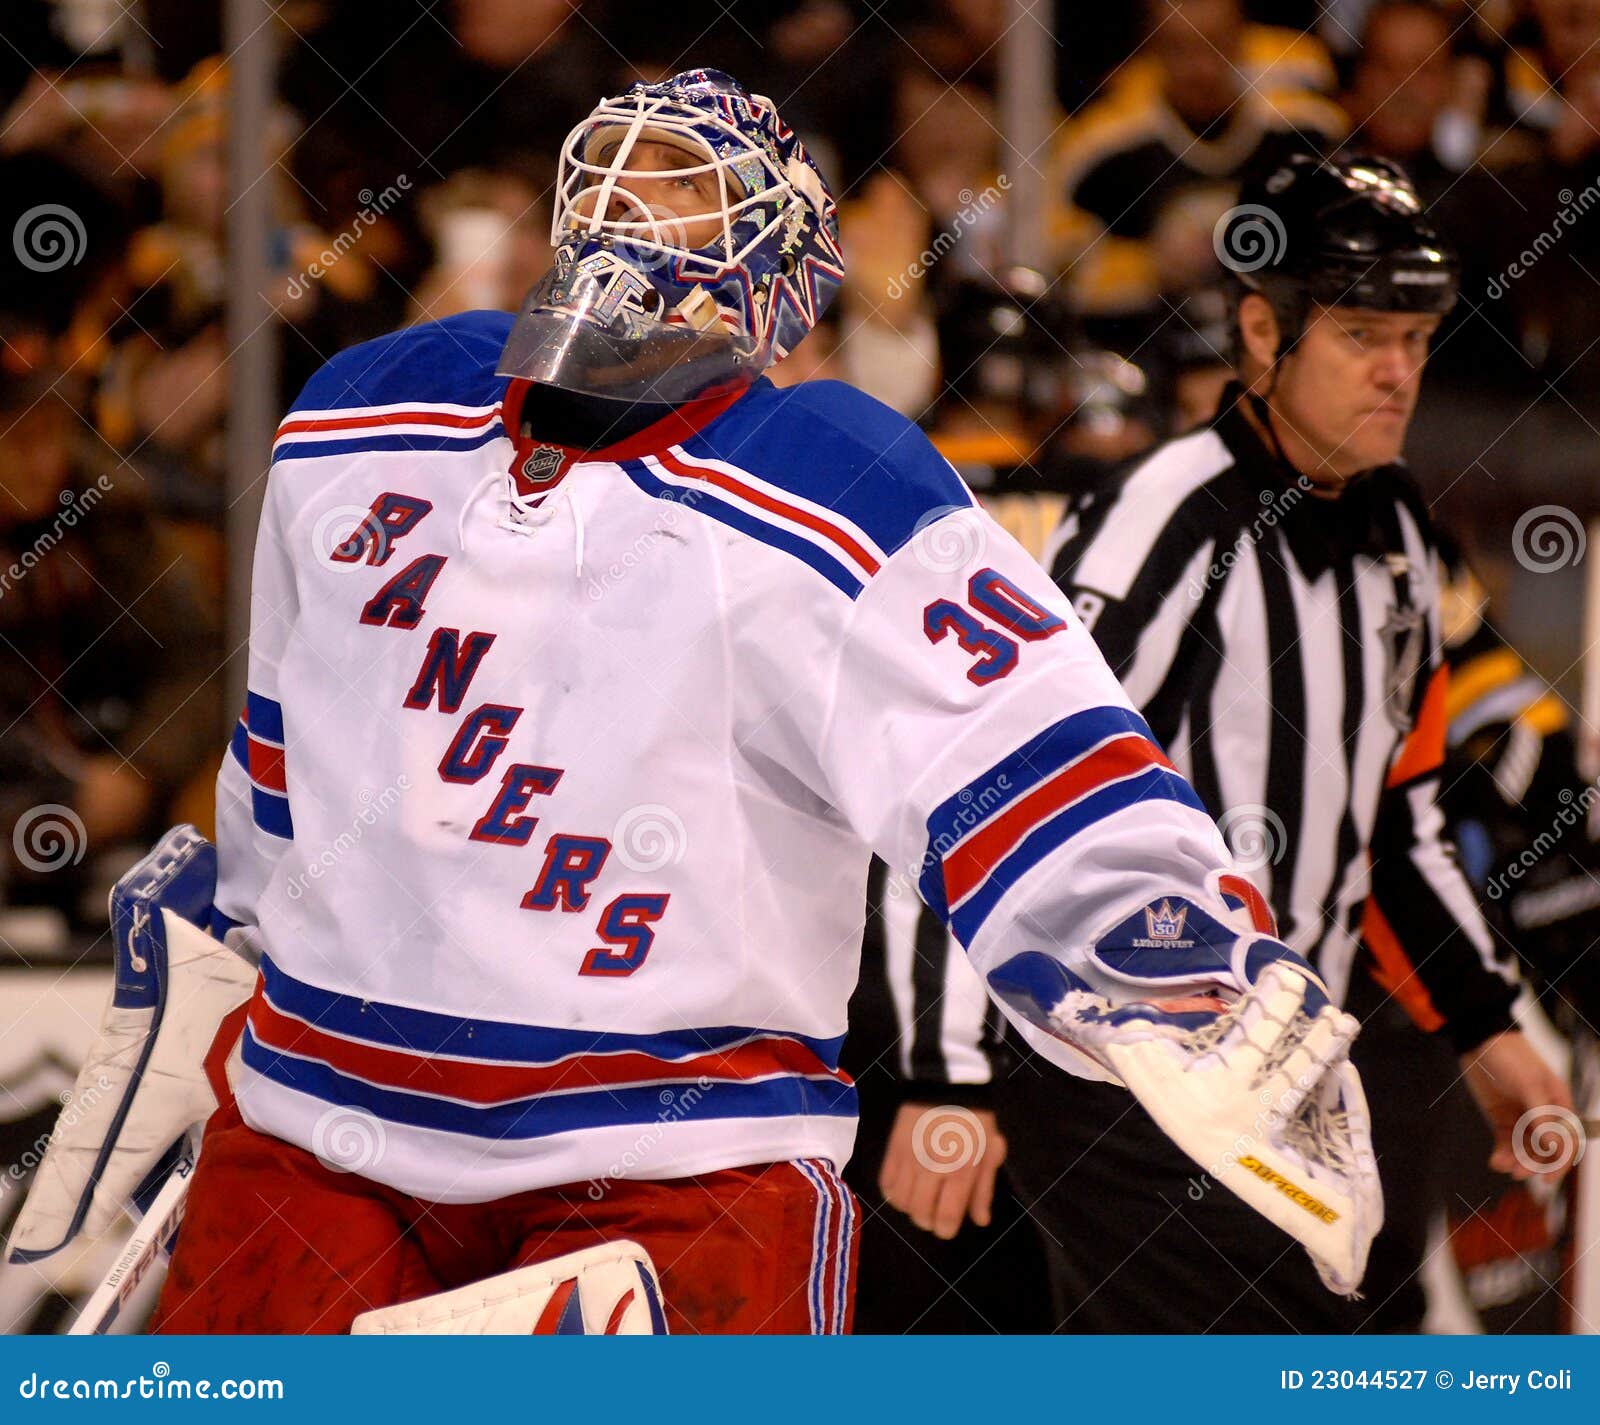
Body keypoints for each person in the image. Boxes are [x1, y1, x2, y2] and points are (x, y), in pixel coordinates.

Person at [11, 71, 1372, 1335]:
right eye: (613, 174)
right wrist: (242, 925)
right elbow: (287, 734)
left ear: (772, 283)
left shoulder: (826, 480)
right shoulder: (363, 411)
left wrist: (1193, 971)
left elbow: (1017, 741)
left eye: (682, 188)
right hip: (325, 1116)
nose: (625, 213)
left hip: (666, 1157)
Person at [997, 154, 1572, 1332]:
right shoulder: (1153, 529)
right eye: (1362, 334)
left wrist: (1492, 1030)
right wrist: (939, 1077)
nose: (1398, 373)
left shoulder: (1401, 536)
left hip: (1291, 1072)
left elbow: (1398, 826)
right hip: (1126, 1078)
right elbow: (1008, 802)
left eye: (1415, 338)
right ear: (1262, 331)